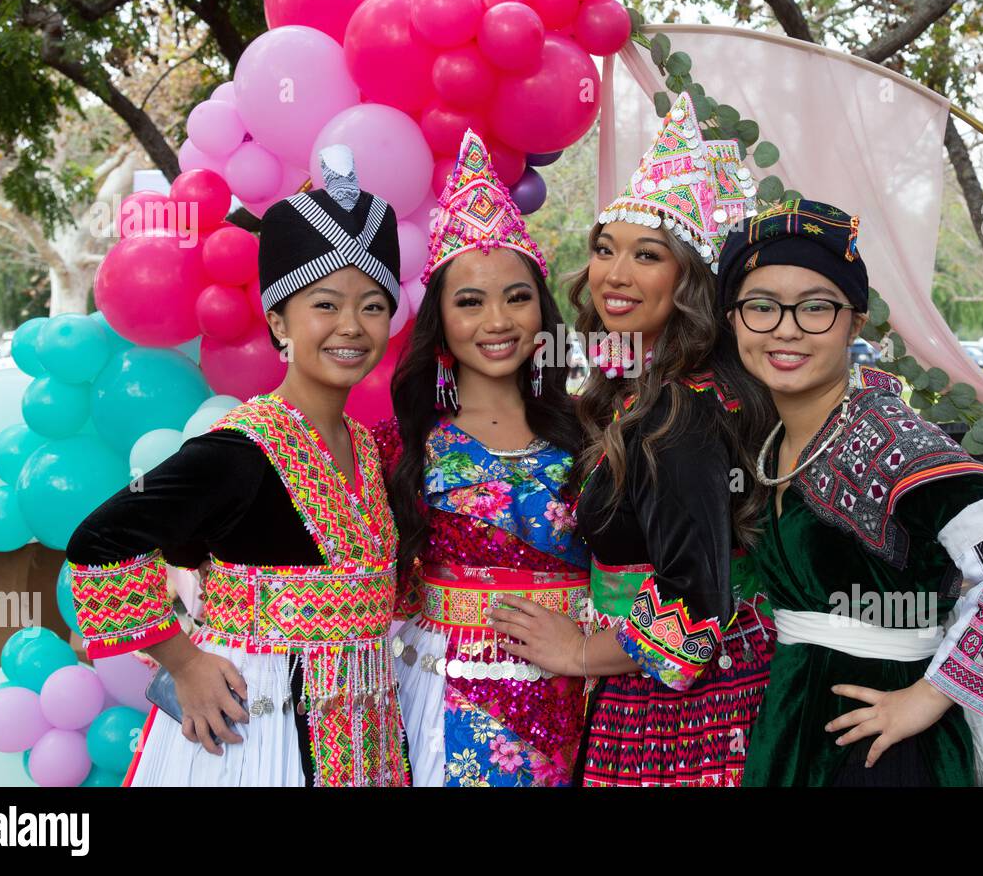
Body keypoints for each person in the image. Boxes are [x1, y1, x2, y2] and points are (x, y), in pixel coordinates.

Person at [66, 146, 408, 787]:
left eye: (372, 305)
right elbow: (100, 541)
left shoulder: (364, 446)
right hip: (259, 734)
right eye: (325, 304)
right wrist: (184, 663)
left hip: (362, 729)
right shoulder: (241, 449)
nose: (351, 326)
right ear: (279, 321)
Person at [718, 198, 983, 786]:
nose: (785, 328)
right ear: (733, 320)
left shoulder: (891, 439)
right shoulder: (769, 438)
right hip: (790, 718)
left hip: (878, 745)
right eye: (761, 307)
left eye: (816, 308)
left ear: (854, 323)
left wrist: (930, 696)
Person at [489, 91, 777, 786]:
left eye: (646, 255)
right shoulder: (652, 394)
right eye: (604, 250)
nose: (612, 275)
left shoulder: (679, 413)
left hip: (682, 725)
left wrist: (583, 653)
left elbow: (696, 601)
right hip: (716, 697)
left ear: (690, 281)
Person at [376, 129, 590, 787]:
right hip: (446, 699)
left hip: (586, 694)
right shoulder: (401, 444)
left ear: (542, 309)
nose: (498, 320)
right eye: (470, 301)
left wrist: (592, 651)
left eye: (517, 296)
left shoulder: (595, 434)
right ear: (440, 319)